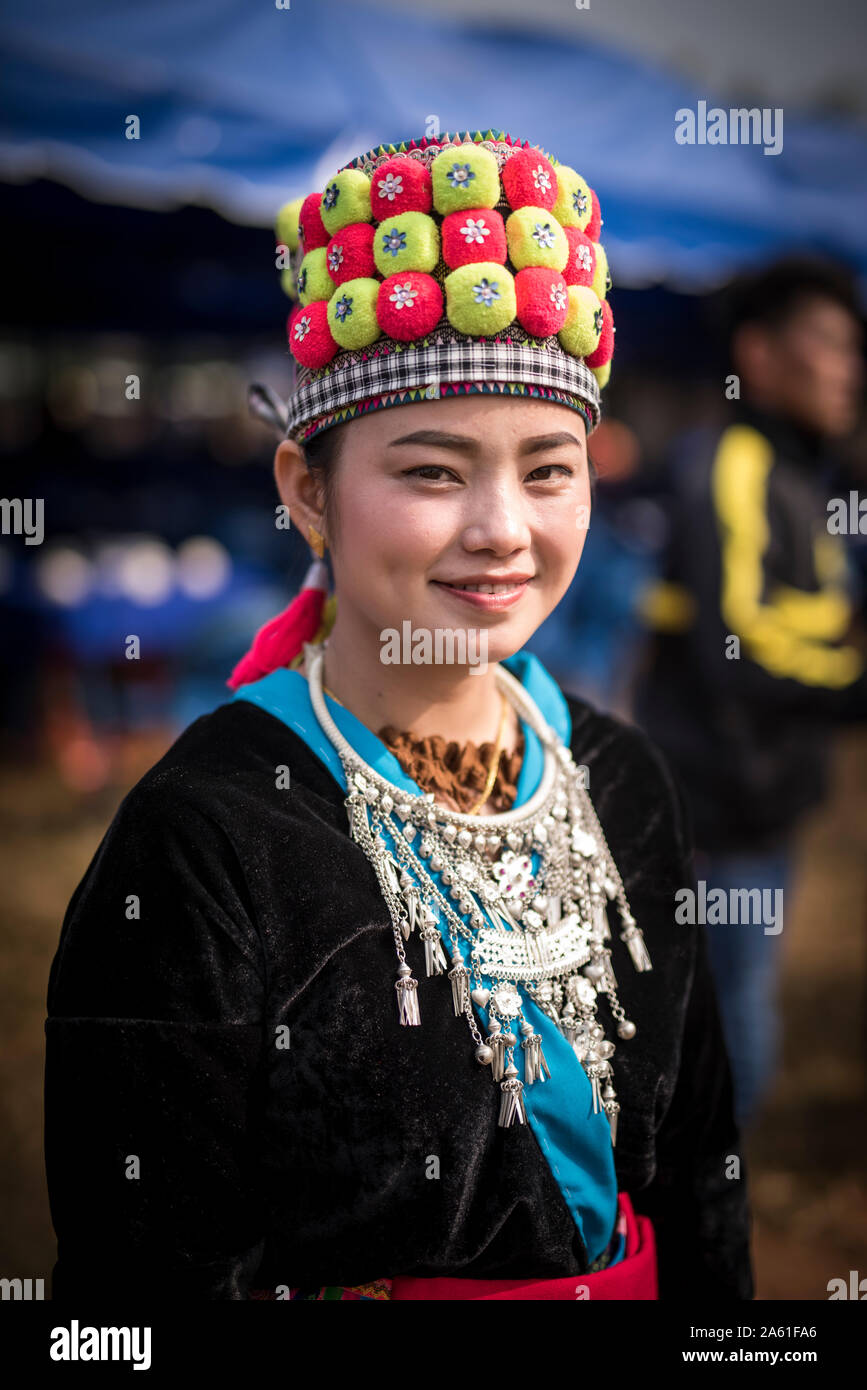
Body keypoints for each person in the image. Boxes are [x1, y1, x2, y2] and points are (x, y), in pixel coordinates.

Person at [45, 128, 752, 1301]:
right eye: (431, 471)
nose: (502, 531)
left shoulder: (623, 775)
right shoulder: (209, 839)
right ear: (307, 491)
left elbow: (702, 1183)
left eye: (548, 468)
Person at [634, 256, 866, 1127]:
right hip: (715, 806)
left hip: (769, 798)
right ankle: (689, 1227)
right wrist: (852, 688)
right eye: (829, 345)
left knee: (738, 1012)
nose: (847, 369)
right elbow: (741, 642)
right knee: (730, 1031)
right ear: (758, 356)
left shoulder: (810, 479)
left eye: (853, 349)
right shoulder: (729, 465)